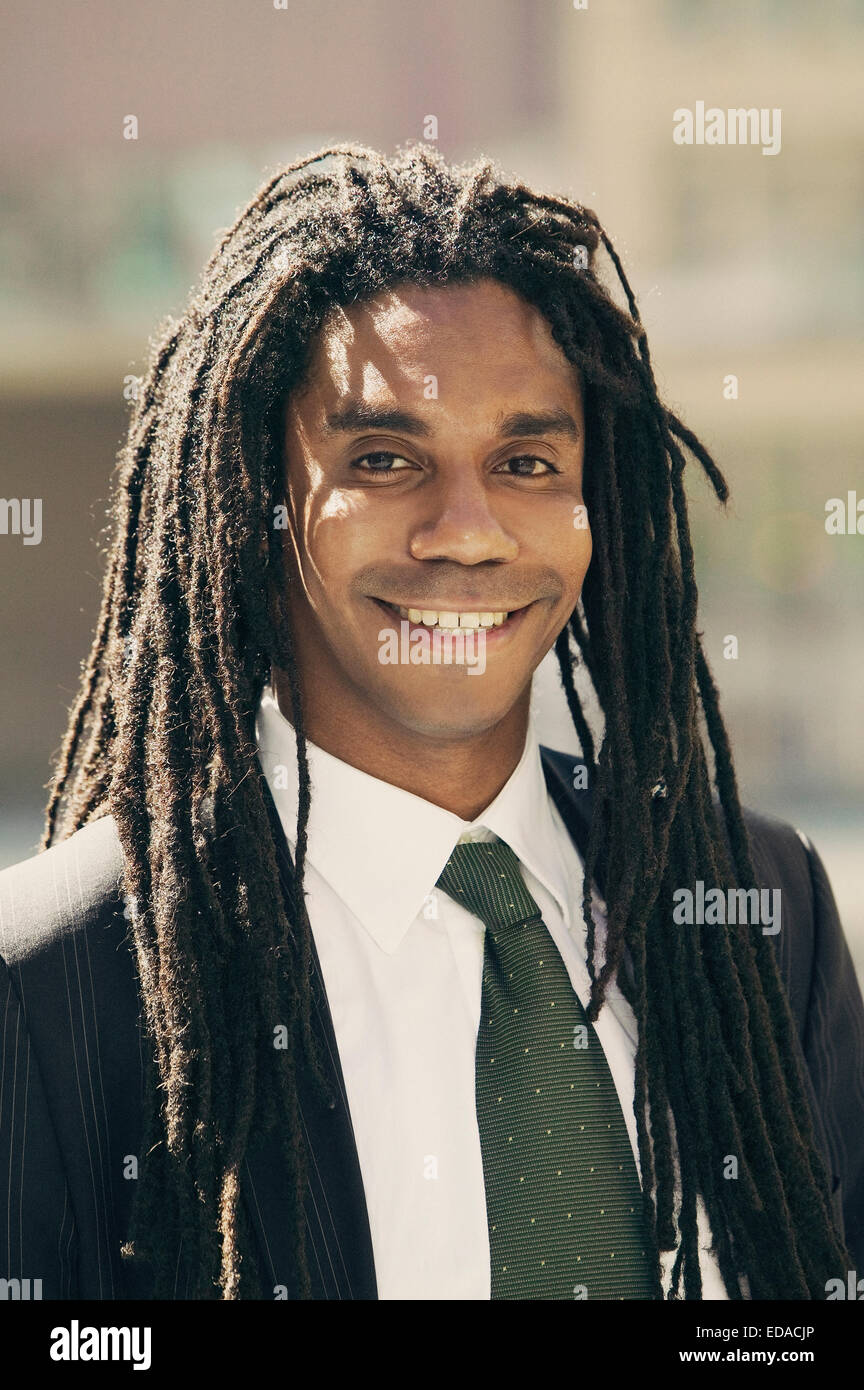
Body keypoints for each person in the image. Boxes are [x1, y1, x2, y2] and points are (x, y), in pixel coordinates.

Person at [1, 143, 861, 1303]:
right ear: (249, 501)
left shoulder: (760, 910)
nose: (468, 530)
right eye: (385, 457)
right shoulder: (55, 979)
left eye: (524, 459)